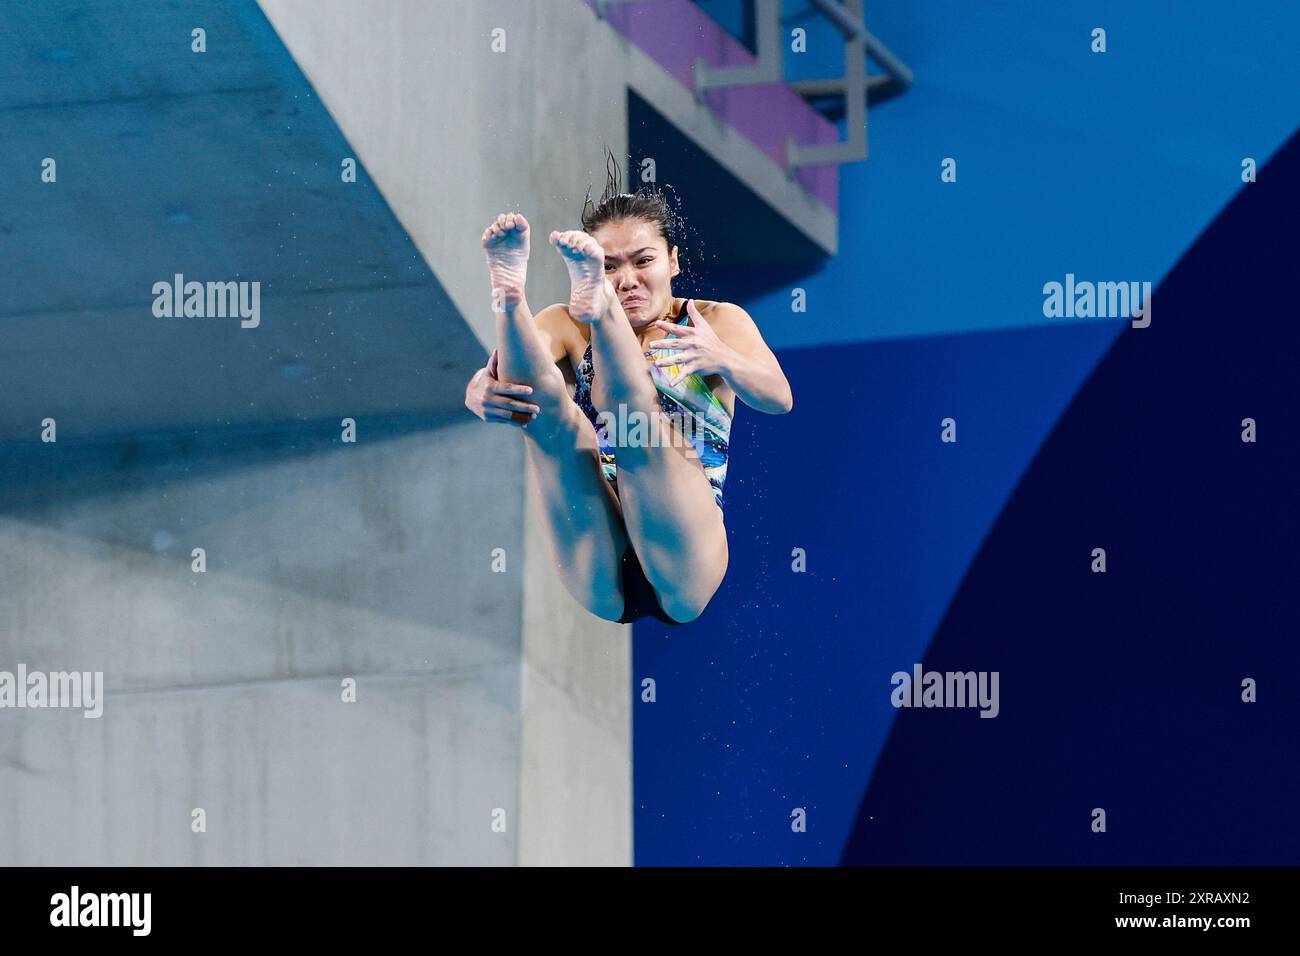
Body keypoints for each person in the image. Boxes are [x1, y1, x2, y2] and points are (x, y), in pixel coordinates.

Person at [466, 173, 792, 625]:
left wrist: (723, 357)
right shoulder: (565, 322)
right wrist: (480, 385)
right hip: (600, 547)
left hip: (686, 552)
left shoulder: (714, 320)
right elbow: (515, 380)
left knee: (633, 421)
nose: (628, 281)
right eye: (609, 268)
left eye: (642, 261)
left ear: (674, 261)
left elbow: (779, 398)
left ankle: (600, 316)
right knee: (546, 419)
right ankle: (507, 299)